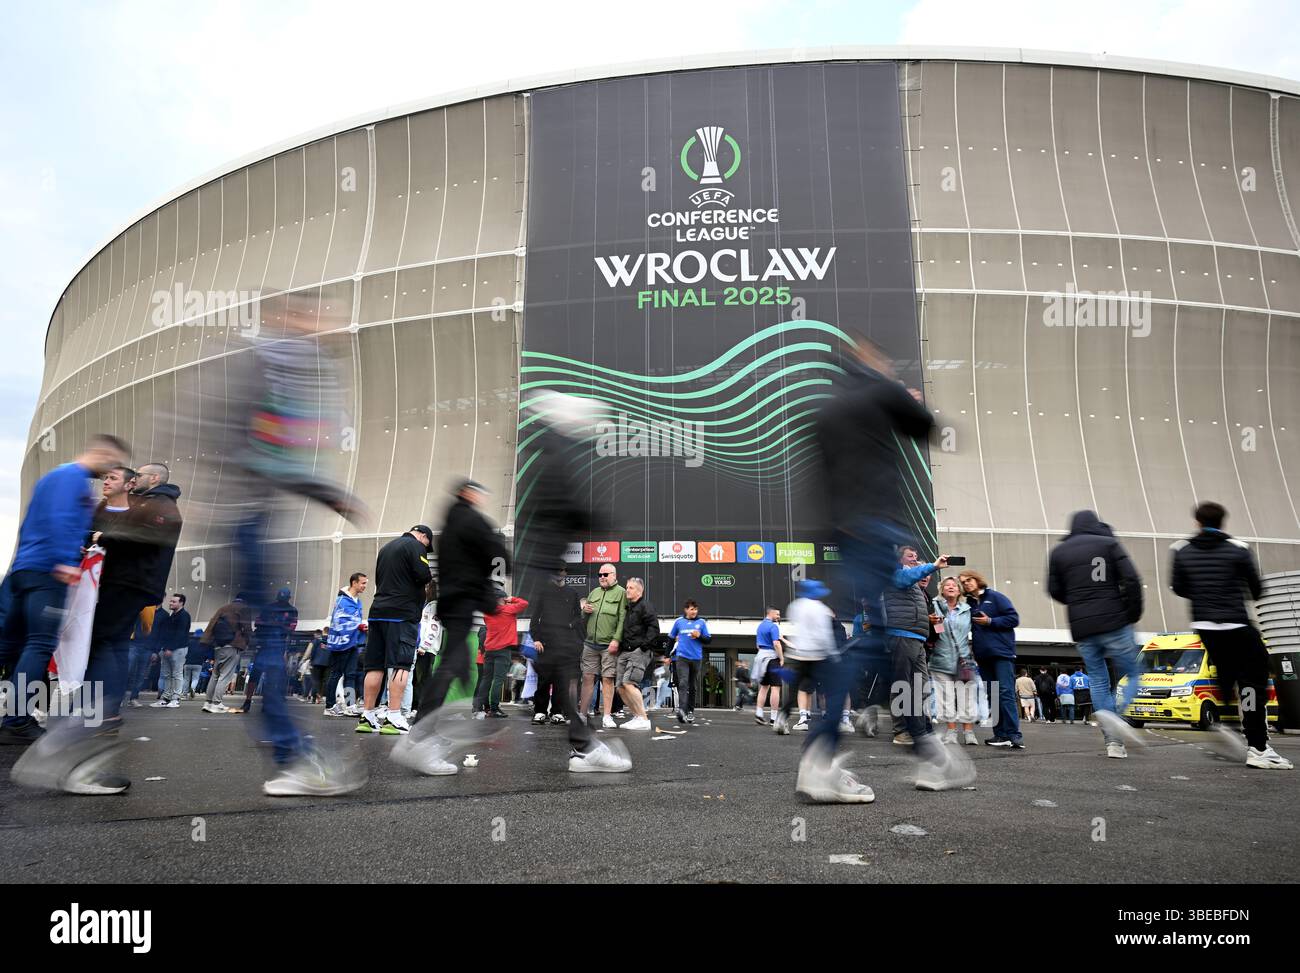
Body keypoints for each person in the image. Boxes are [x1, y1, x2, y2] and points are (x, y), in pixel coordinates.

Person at [0, 435, 130, 746]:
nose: (108, 472)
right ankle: (17, 720)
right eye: (110, 463)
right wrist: (65, 560)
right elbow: (60, 520)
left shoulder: (53, 477)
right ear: (101, 453)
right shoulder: (72, 480)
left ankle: (18, 716)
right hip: (48, 574)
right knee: (40, 645)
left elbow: (32, 523)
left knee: (8, 644)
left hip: (24, 569)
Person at [393, 480, 510, 775]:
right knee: (451, 667)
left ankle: (423, 734)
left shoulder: (451, 521)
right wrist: (504, 563)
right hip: (462, 603)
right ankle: (419, 737)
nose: (482, 499)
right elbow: (496, 553)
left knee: (456, 666)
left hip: (454, 604)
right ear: (469, 494)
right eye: (479, 494)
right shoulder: (471, 520)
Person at [1170, 501, 1292, 770]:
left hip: (1205, 625)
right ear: (1223, 521)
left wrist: (1203, 595)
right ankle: (1257, 745)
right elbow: (1256, 588)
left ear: (1197, 522)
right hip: (1235, 623)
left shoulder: (1182, 550)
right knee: (1252, 681)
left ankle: (1226, 721)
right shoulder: (1238, 549)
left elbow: (1179, 587)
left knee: (1225, 671)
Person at [1047, 509, 1145, 758]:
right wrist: (1132, 613)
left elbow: (1054, 590)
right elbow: (1132, 580)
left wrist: (1077, 600)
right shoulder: (1109, 544)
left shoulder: (1059, 551)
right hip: (1115, 620)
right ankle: (1119, 714)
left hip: (1083, 626)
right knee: (1132, 672)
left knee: (1099, 679)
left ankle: (1113, 742)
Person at [358, 528, 433, 736]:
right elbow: (423, 575)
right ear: (423, 537)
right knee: (401, 665)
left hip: (378, 612)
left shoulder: (386, 548)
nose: (426, 548)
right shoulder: (416, 546)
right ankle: (393, 716)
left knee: (374, 665)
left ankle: (367, 716)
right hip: (402, 614)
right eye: (427, 544)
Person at [885, 547, 945, 747]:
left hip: (917, 638)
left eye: (916, 557)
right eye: (910, 556)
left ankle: (919, 729)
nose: (915, 560)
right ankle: (901, 731)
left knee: (921, 687)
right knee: (902, 685)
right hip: (902, 636)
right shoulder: (896, 575)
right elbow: (909, 575)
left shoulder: (916, 587)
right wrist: (933, 566)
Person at [959, 569, 1023, 749]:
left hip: (1002, 653)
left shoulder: (995, 597)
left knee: (1005, 692)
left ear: (977, 580)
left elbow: (1013, 619)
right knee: (993, 695)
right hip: (983, 656)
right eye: (963, 582)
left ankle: (1014, 735)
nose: (966, 584)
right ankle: (1000, 734)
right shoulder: (969, 605)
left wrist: (991, 622)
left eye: (969, 580)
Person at [929, 577, 978, 745]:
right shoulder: (935, 606)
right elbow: (937, 632)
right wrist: (933, 623)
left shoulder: (967, 609)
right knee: (946, 697)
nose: (950, 587)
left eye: (954, 585)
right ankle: (951, 731)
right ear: (942, 590)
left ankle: (969, 732)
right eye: (946, 585)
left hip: (963, 658)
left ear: (959, 590)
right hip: (941, 657)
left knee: (967, 696)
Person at [579, 563, 627, 729]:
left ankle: (607, 716)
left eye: (606, 574)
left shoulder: (622, 593)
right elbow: (583, 618)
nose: (602, 577)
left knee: (608, 679)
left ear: (614, 575)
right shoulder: (594, 592)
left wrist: (616, 639)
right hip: (590, 643)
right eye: (600, 574)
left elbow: (622, 618)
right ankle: (582, 714)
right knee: (587, 678)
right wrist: (584, 610)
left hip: (609, 644)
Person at [474, 588, 528, 719]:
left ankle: (478, 707)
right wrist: (512, 599)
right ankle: (494, 708)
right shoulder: (507, 610)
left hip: (490, 650)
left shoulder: (487, 613)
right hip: (503, 650)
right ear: (502, 599)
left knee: (486, 680)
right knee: (498, 680)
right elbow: (524, 603)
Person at [614, 577, 656, 730]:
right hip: (625, 651)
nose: (627, 590)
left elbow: (653, 628)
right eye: (627, 587)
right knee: (620, 687)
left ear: (639, 590)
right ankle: (636, 716)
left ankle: (644, 719)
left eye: (631, 588)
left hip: (639, 651)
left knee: (629, 683)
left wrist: (643, 647)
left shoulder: (645, 606)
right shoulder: (628, 607)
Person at [200, 596, 253, 714]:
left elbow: (211, 625)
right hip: (233, 644)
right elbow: (247, 628)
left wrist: (206, 641)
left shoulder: (223, 608)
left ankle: (208, 703)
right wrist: (249, 641)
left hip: (218, 645)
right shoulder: (244, 608)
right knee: (225, 676)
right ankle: (217, 704)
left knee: (215, 675)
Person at [324, 574, 367, 716]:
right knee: (336, 673)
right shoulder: (342, 600)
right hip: (341, 642)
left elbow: (353, 619)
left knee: (351, 674)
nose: (364, 586)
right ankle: (329, 706)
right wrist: (358, 625)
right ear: (354, 583)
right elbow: (338, 621)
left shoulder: (357, 601)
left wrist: (359, 627)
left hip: (353, 642)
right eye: (362, 583)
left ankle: (350, 705)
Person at [668, 600, 710, 724]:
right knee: (683, 683)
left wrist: (699, 636)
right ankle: (682, 710)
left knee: (692, 685)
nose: (694, 612)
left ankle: (690, 711)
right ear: (686, 610)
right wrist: (666, 655)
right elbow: (670, 639)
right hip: (682, 657)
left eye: (696, 609)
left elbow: (708, 640)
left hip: (696, 658)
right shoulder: (679, 622)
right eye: (692, 609)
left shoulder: (701, 622)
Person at [150, 594, 192, 708]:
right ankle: (166, 697)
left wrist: (169, 648)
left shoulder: (184, 616)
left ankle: (175, 698)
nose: (171, 603)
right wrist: (164, 648)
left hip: (178, 649)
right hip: (168, 649)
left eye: (174, 602)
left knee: (177, 674)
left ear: (181, 603)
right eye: (171, 601)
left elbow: (180, 634)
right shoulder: (173, 615)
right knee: (167, 674)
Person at [752, 606, 787, 725]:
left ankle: (759, 714)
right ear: (771, 614)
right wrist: (781, 658)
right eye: (777, 614)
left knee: (763, 687)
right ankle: (774, 718)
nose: (778, 617)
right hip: (772, 659)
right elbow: (776, 643)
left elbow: (757, 645)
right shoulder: (773, 626)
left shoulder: (760, 626)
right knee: (775, 688)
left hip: (761, 658)